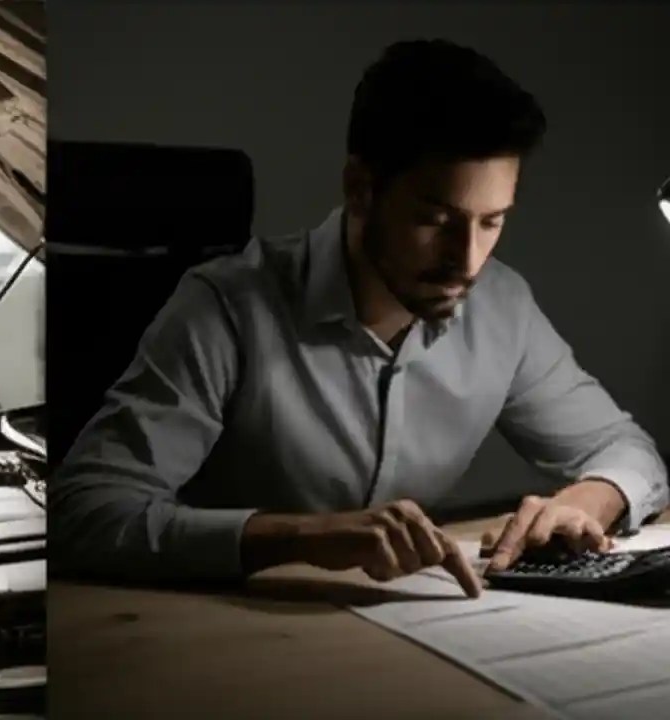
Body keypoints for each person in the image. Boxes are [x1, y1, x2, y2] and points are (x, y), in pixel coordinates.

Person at [48, 39, 669, 597]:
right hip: (218, 635)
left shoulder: (502, 306)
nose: (467, 259)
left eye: (492, 222)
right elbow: (85, 514)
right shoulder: (228, 306)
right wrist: (303, 536)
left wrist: (585, 500)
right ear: (360, 189)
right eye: (436, 220)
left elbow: (630, 452)